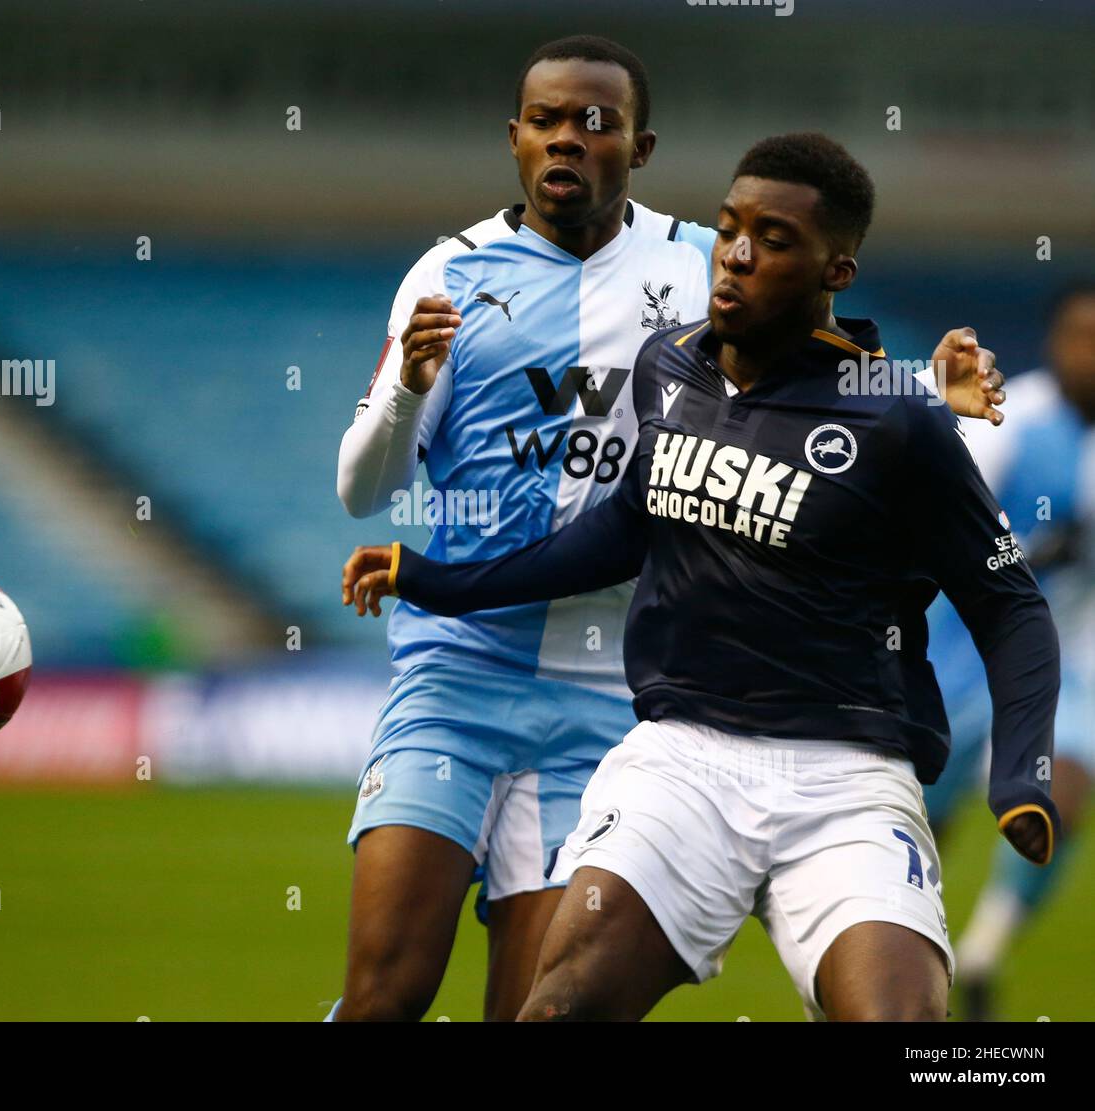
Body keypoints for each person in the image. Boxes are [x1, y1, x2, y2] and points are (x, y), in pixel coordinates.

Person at [333, 35, 1006, 1023]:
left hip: (610, 693)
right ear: (514, 137)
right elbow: (361, 487)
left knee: (539, 1009)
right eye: (549, 119)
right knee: (386, 993)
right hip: (457, 672)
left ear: (637, 147)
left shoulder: (703, 262)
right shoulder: (449, 275)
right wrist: (407, 390)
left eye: (595, 121)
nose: (570, 137)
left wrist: (927, 387)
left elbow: (828, 395)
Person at [922, 283, 1095, 1020]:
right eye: (1080, 335)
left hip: (1073, 658)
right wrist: (1030, 551)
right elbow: (944, 528)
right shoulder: (1010, 418)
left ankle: (986, 952)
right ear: (1055, 341)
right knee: (922, 818)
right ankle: (906, 950)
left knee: (1064, 791)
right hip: (969, 648)